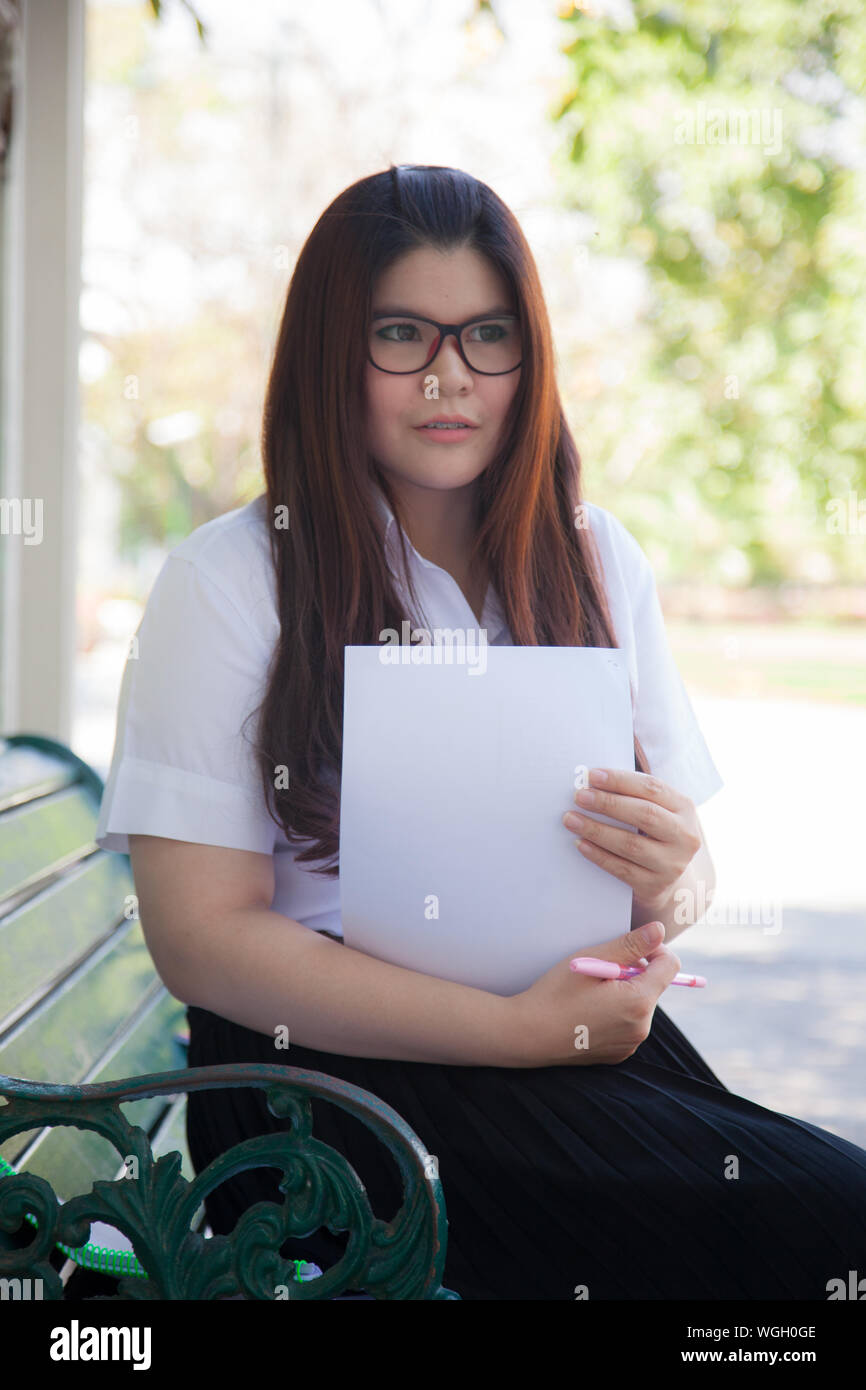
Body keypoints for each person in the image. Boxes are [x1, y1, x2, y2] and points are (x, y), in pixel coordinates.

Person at [95, 164, 866, 1301]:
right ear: (329, 353)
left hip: (568, 1040)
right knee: (817, 1229)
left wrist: (668, 879)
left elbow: (686, 871)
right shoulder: (231, 578)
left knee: (815, 1221)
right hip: (329, 1098)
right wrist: (515, 1032)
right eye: (401, 333)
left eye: (486, 334)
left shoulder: (593, 553)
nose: (448, 376)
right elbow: (199, 943)